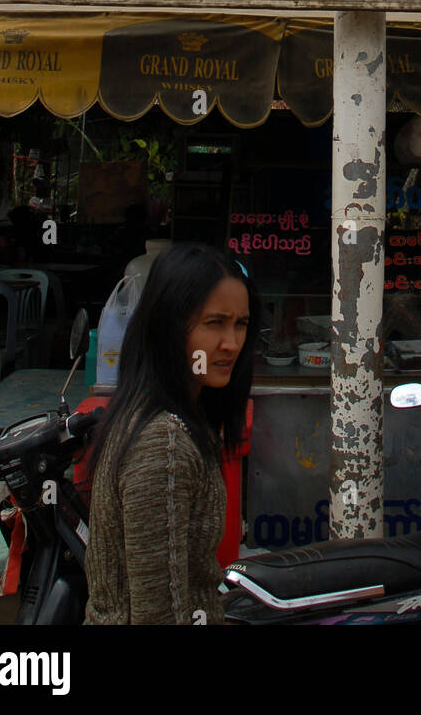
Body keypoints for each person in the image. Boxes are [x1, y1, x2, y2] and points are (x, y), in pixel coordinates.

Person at [84, 243, 256, 625]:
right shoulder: (163, 443)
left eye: (240, 324)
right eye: (215, 323)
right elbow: (159, 615)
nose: (231, 343)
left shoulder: (173, 416)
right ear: (168, 328)